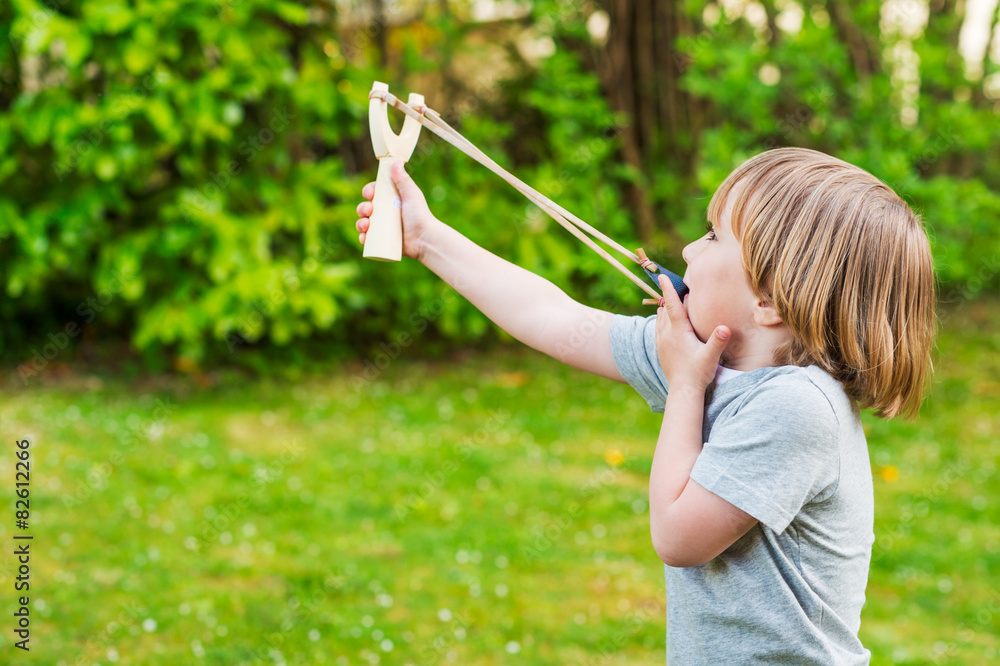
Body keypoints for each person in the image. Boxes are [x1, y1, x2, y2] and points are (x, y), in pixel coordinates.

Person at [354, 147, 935, 664]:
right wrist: (427, 237)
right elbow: (560, 321)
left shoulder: (797, 406)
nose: (685, 247)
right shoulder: (712, 360)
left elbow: (679, 537)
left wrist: (685, 387)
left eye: (712, 237)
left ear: (766, 300)